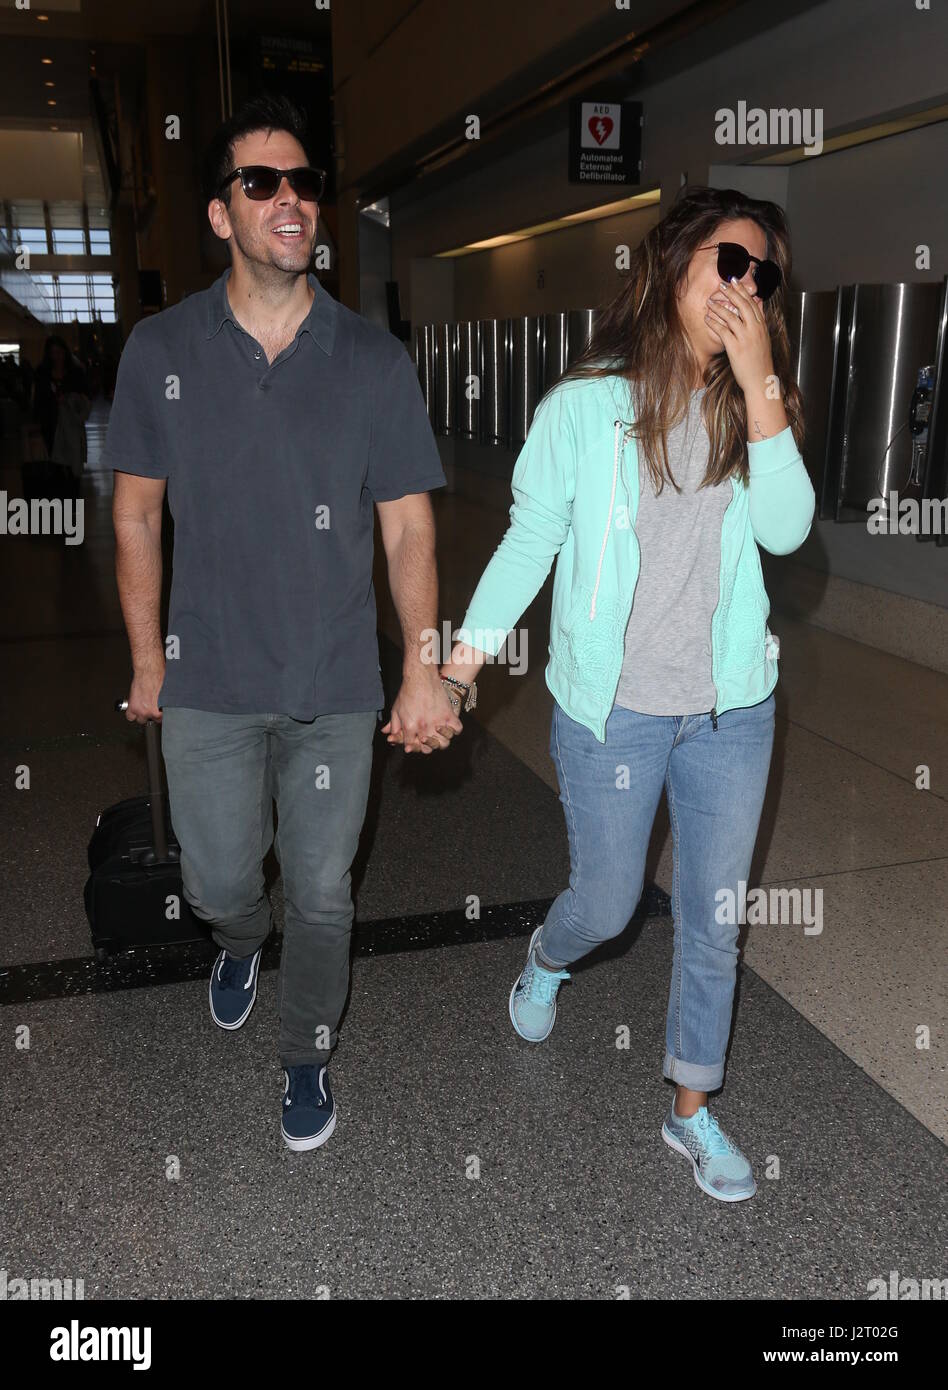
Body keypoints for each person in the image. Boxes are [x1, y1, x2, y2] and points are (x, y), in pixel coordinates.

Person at [436, 185, 815, 1203]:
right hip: (616, 709)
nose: (743, 287)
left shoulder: (754, 410)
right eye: (726, 264)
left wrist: (763, 383)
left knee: (714, 916)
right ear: (670, 267)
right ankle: (546, 959)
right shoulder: (585, 407)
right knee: (606, 905)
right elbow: (531, 542)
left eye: (762, 276)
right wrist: (459, 667)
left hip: (732, 710)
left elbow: (786, 531)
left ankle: (690, 1111)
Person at [107, 93, 460, 1153]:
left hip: (335, 680)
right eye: (261, 182)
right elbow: (134, 512)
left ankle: (306, 1054)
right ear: (222, 214)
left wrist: (424, 671)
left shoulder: (371, 362)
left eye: (303, 182)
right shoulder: (160, 350)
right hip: (206, 674)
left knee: (322, 888)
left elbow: (407, 530)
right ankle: (235, 942)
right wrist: (143, 661)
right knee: (219, 879)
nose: (289, 199)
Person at [30, 335, 90, 498]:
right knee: (55, 461)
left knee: (72, 459)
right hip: (51, 423)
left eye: (60, 352)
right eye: (53, 353)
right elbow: (38, 400)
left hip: (71, 423)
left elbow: (85, 396)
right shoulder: (42, 373)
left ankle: (73, 494)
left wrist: (70, 398)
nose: (57, 357)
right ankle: (61, 496)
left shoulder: (75, 372)